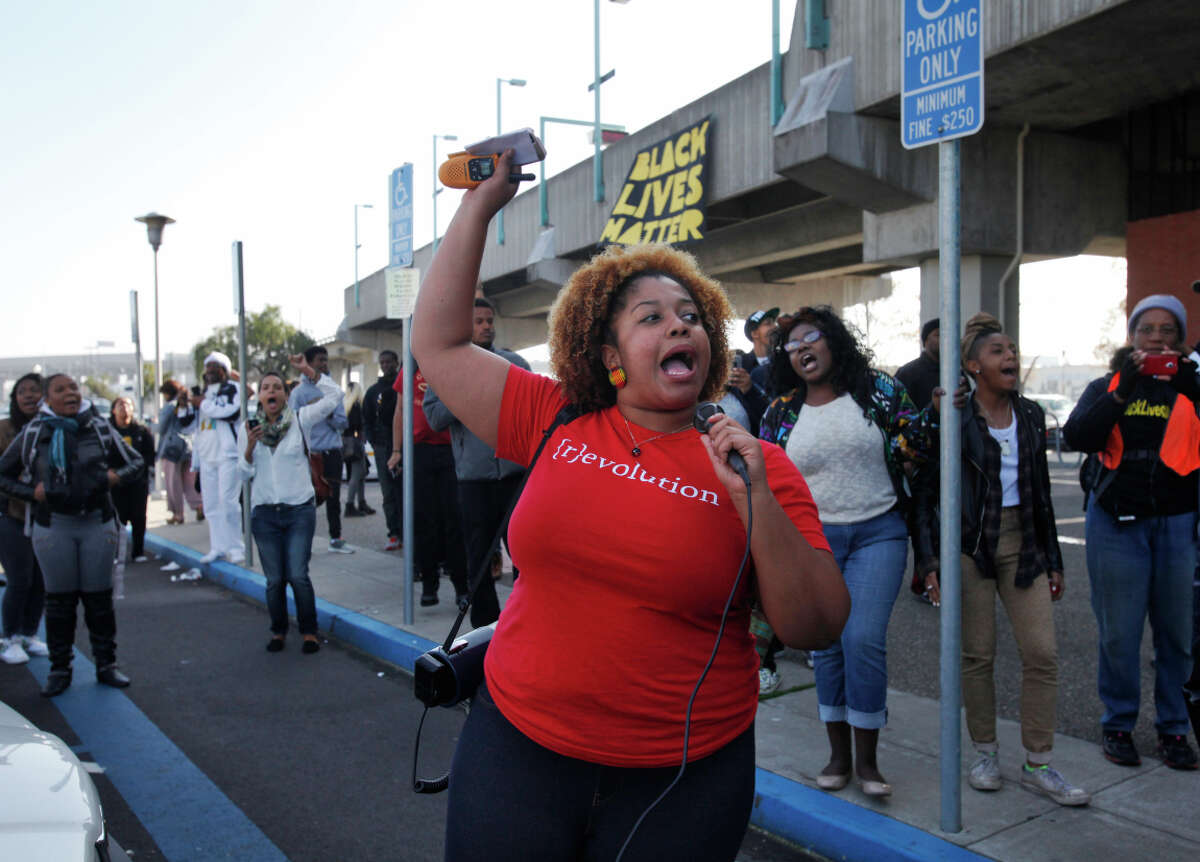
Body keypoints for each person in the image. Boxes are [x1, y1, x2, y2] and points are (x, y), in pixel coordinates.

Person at [411, 150, 848, 861]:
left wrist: (754, 503)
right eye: (651, 318)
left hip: (682, 776)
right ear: (610, 355)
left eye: (690, 317)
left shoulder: (754, 463)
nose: (680, 327)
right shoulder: (553, 417)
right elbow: (439, 341)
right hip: (517, 745)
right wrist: (479, 205)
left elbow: (816, 624)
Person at [758, 305, 936, 798]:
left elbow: (915, 450)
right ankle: (837, 755)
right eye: (790, 346)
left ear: (833, 340)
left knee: (862, 639)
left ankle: (869, 761)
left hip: (879, 532)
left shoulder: (879, 392)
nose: (801, 350)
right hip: (812, 542)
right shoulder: (781, 410)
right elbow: (766, 479)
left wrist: (938, 414)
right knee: (826, 646)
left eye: (810, 338)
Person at [916, 313, 1090, 806]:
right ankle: (985, 752)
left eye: (1012, 349)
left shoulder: (1031, 416)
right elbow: (926, 493)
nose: (1009, 356)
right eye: (997, 351)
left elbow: (1041, 497)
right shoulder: (956, 417)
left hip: (1024, 542)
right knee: (978, 655)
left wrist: (1053, 557)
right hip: (972, 545)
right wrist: (929, 562)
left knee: (1043, 654)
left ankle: (1039, 763)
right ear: (973, 366)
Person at [1063, 294, 1199, 771]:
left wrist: (1191, 386)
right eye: (1148, 330)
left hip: (1177, 522)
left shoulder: (1192, 386)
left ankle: (1174, 728)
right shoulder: (1109, 384)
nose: (1157, 338)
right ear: (1132, 338)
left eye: (1168, 331)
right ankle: (1118, 723)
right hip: (1116, 522)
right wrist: (1123, 393)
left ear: (1180, 340)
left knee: (1177, 635)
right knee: (1119, 634)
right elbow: (1077, 436)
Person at [0, 374, 143, 696]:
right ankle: (60, 670)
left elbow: (135, 463)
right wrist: (28, 492)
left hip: (97, 522)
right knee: (60, 603)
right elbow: (3, 473)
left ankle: (106, 665)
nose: (70, 394)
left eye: (74, 388)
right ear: (47, 400)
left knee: (98, 601)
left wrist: (115, 477)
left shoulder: (99, 427)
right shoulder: (35, 431)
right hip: (54, 526)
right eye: (61, 390)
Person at [423, 296, 531, 627]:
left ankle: (526, 622)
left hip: (515, 477)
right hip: (474, 482)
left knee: (528, 556)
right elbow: (434, 417)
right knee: (480, 560)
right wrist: (468, 389)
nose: (486, 327)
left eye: (489, 321)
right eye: (479, 321)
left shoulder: (515, 364)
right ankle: (485, 631)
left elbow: (534, 409)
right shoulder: (446, 369)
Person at [239, 355, 341, 654]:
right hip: (265, 513)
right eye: (265, 388)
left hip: (299, 509)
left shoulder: (300, 419)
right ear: (260, 396)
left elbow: (335, 396)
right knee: (274, 579)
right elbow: (241, 473)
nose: (271, 391)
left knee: (297, 574)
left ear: (285, 394)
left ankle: (309, 632)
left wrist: (309, 372)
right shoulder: (249, 427)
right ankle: (278, 631)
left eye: (276, 387)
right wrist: (249, 447)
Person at [387, 360, 469, 607]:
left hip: (450, 450)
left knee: (454, 521)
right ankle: (429, 585)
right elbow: (400, 410)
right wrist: (396, 450)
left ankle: (461, 587)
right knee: (424, 521)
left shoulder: (450, 364)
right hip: (419, 452)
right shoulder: (409, 370)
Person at [0, 373, 47, 665]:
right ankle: (9, 638)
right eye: (22, 392)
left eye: (35, 390)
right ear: (14, 398)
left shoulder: (51, 427)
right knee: (19, 578)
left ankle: (30, 633)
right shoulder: (4, 429)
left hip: (45, 516)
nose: (28, 396)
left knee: (41, 580)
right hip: (10, 513)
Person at [289, 346, 353, 554]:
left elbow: (343, 422)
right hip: (310, 454)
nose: (324, 364)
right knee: (308, 500)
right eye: (320, 360)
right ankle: (302, 542)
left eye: (326, 360)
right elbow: (292, 422)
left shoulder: (332, 389)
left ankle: (336, 539)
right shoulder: (299, 393)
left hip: (332, 451)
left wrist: (325, 412)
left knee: (333, 499)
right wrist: (311, 411)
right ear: (308, 363)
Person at [185, 352, 245, 564]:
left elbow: (231, 412)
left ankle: (236, 547)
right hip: (206, 456)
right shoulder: (203, 393)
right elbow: (188, 425)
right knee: (210, 504)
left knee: (228, 502)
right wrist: (186, 406)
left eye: (214, 367)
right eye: (207, 367)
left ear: (224, 371)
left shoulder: (233, 389)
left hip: (227, 455)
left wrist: (203, 404)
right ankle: (218, 547)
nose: (209, 371)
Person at [364, 349, 402, 550]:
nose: (386, 365)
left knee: (405, 491)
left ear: (396, 362)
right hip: (382, 448)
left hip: (404, 447)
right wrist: (374, 441)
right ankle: (394, 533)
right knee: (388, 493)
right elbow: (367, 420)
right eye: (383, 362)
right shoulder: (373, 392)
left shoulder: (403, 387)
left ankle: (408, 531)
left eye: (389, 361)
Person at [109, 397, 156, 562]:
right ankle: (115, 554)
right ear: (113, 410)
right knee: (116, 518)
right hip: (115, 484)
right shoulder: (108, 432)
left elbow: (149, 456)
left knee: (138, 517)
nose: (124, 408)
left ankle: (138, 552)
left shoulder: (141, 431)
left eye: (127, 404)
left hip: (137, 483)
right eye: (120, 405)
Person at [156, 380, 202, 524]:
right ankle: (199, 505)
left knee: (173, 482)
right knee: (189, 481)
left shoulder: (169, 406)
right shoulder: (189, 404)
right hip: (188, 447)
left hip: (171, 449)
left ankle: (178, 514)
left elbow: (161, 428)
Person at [342, 381, 374, 518]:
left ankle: (361, 502)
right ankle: (351, 505)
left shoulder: (345, 404)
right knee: (357, 474)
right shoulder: (356, 406)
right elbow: (357, 424)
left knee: (359, 473)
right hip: (355, 442)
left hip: (347, 442)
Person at [895, 318, 940, 410]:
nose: (944, 339)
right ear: (926, 341)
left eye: (947, 335)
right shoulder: (908, 373)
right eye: (938, 335)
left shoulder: (956, 373)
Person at [739, 308, 778, 372]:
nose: (775, 326)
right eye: (768, 323)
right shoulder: (742, 364)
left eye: (774, 323)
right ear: (755, 333)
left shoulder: (784, 360)